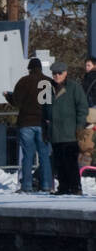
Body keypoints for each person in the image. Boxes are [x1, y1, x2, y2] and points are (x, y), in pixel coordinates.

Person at [4, 57, 53, 194]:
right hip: (42, 123)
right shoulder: (47, 82)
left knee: (28, 156)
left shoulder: (24, 81)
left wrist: (8, 96)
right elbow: (48, 104)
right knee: (44, 155)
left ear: (29, 69)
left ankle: (26, 186)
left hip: (26, 122)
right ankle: (46, 185)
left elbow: (17, 101)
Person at [49, 60, 88, 195]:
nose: (57, 76)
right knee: (59, 162)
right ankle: (63, 187)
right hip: (55, 132)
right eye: (54, 73)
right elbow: (43, 108)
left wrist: (79, 126)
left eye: (59, 73)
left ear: (65, 73)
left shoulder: (74, 87)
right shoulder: (47, 88)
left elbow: (82, 107)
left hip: (70, 132)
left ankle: (75, 187)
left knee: (70, 162)